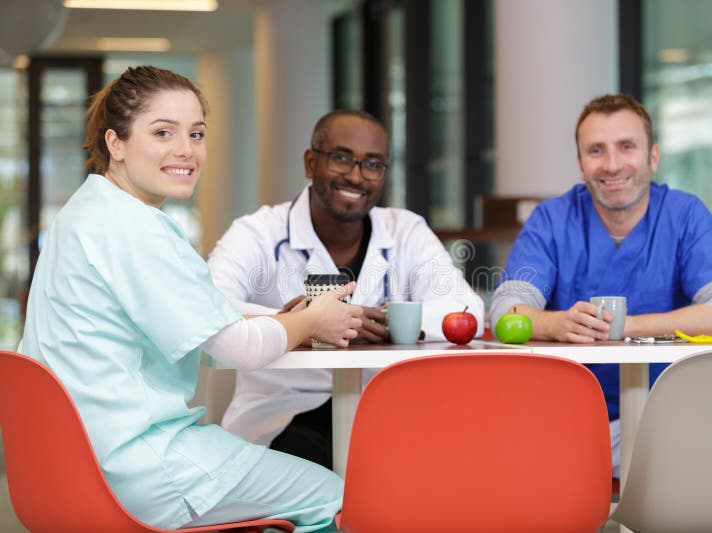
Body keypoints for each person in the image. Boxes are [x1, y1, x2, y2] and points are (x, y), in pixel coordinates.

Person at [18, 66, 365, 532]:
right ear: (114, 144)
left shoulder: (88, 212)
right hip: (143, 466)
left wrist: (280, 317)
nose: (186, 150)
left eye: (196, 133)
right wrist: (314, 320)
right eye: (163, 132)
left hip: (72, 463)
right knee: (341, 497)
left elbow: (195, 305)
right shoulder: (134, 229)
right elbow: (239, 349)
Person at [208, 109, 484, 469]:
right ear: (310, 163)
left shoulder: (405, 230)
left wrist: (385, 323)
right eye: (341, 159)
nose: (356, 176)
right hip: (283, 412)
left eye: (373, 165)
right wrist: (302, 324)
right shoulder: (258, 233)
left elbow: (466, 309)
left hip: (384, 410)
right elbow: (210, 306)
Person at [489, 93, 712, 476]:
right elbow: (504, 310)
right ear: (580, 164)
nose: (612, 165)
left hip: (668, 414)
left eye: (626, 147)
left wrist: (628, 328)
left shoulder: (684, 215)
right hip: (570, 417)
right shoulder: (552, 219)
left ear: (652, 156)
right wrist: (555, 324)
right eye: (596, 151)